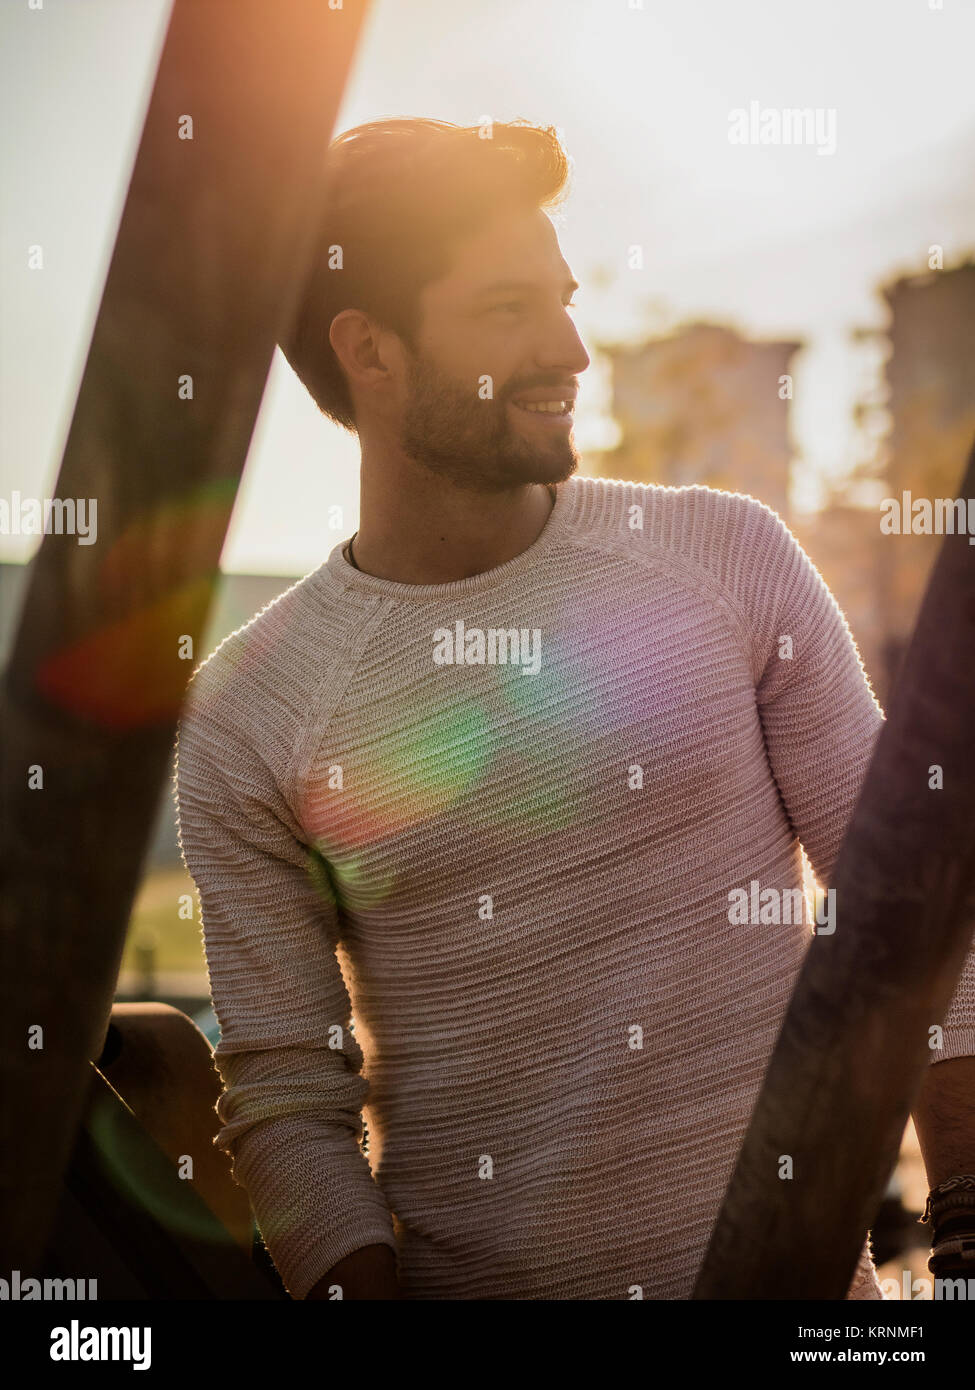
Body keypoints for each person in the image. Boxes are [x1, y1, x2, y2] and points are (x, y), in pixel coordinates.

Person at [173, 117, 975, 1301]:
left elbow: (910, 918)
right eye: (510, 310)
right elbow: (290, 1096)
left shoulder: (731, 556)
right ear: (370, 349)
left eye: (565, 297)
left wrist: (964, 1216)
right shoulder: (251, 709)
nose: (572, 348)